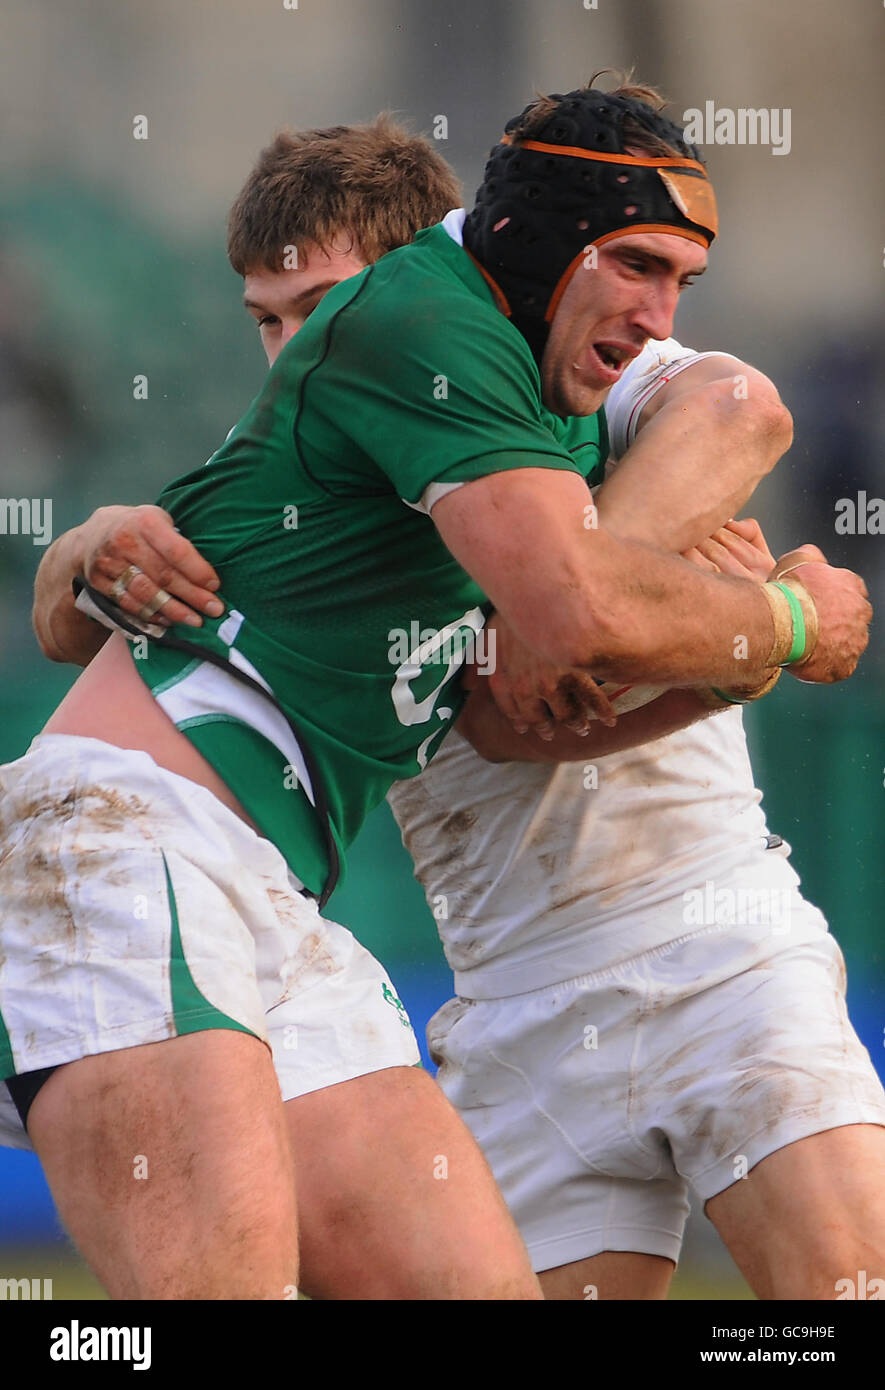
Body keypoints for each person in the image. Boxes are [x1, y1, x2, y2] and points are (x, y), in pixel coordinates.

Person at [7, 87, 869, 1302]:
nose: (298, 347)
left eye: (319, 306)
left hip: (305, 897)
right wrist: (757, 618)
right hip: (144, 840)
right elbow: (72, 615)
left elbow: (727, 422)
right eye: (274, 319)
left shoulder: (549, 379)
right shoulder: (381, 381)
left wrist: (666, 617)